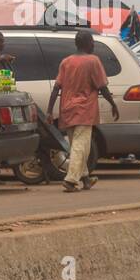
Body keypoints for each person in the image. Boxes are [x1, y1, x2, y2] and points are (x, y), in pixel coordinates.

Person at [47, 29, 119, 192]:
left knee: (77, 145)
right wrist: (112, 104)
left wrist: (50, 111)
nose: (93, 44)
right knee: (81, 145)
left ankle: (85, 178)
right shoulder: (93, 61)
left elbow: (56, 88)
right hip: (84, 109)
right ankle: (71, 180)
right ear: (88, 44)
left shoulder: (66, 62)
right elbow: (102, 87)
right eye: (92, 41)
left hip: (67, 109)